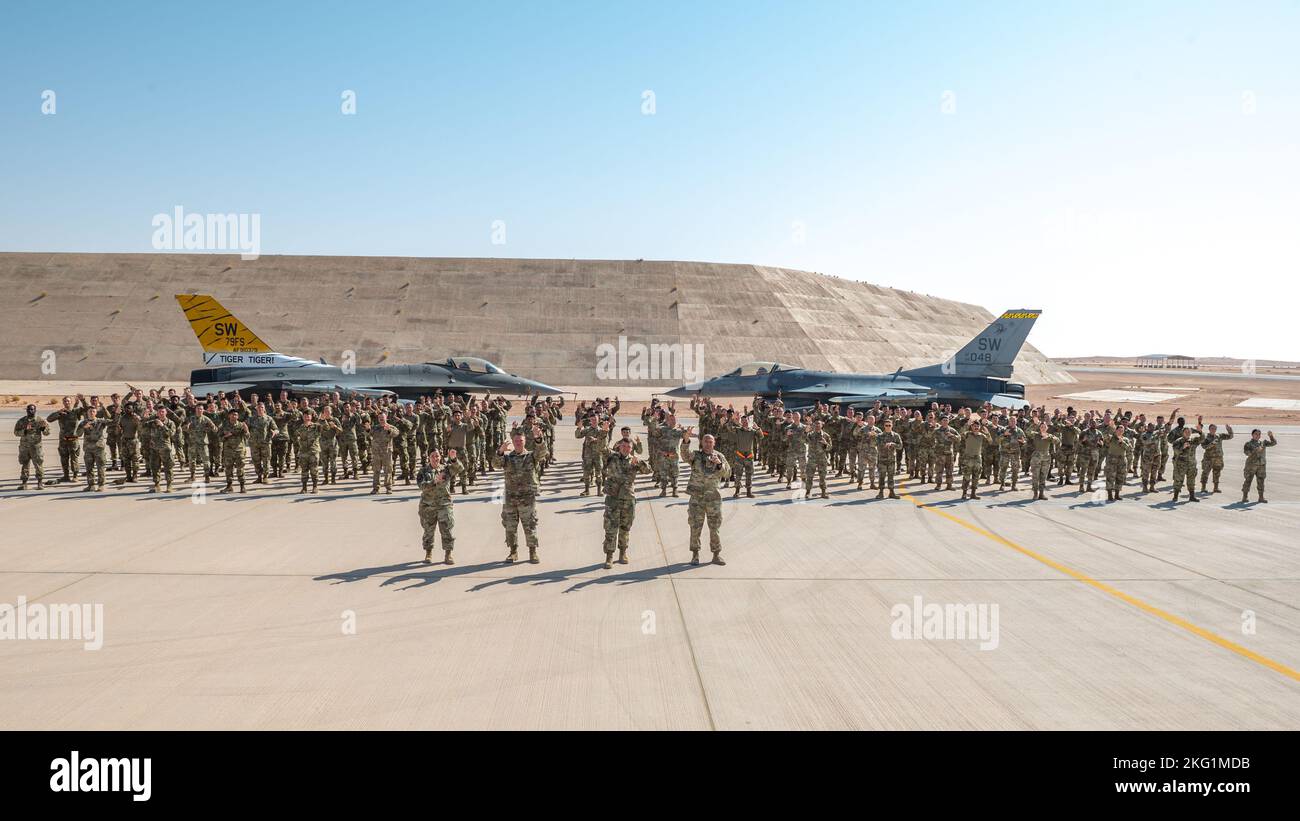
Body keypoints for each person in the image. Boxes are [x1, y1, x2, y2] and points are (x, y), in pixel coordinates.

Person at [681, 429, 732, 565]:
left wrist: (719, 465)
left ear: (714, 443)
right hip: (697, 498)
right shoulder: (696, 456)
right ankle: (695, 554)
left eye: (710, 442)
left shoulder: (719, 456)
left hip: (713, 498)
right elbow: (685, 456)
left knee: (714, 527)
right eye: (706, 442)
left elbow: (728, 474)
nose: (708, 444)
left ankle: (716, 555)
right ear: (702, 443)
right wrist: (686, 440)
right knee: (695, 526)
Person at [601, 437, 652, 568]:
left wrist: (640, 463)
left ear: (631, 449)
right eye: (623, 446)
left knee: (625, 527)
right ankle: (609, 556)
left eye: (628, 447)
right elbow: (601, 448)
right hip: (613, 498)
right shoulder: (612, 457)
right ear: (619, 446)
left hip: (628, 499)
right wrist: (604, 432)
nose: (626, 449)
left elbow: (649, 471)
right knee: (611, 528)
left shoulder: (634, 460)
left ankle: (623, 552)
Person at [498, 431, 541, 564]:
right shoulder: (507, 458)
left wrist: (539, 439)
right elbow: (495, 464)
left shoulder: (531, 456)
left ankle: (532, 552)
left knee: (530, 525)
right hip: (510, 499)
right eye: (516, 441)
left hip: (527, 498)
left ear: (525, 442)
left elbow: (542, 453)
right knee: (510, 526)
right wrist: (500, 451)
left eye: (520, 441)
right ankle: (513, 552)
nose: (518, 443)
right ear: (512, 442)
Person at [416, 450, 462, 564]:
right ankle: (428, 553)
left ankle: (448, 554)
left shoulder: (446, 469)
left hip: (444, 505)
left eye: (437, 456)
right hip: (428, 506)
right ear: (428, 458)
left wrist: (453, 459)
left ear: (440, 457)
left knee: (447, 530)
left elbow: (459, 468)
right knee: (428, 531)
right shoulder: (423, 471)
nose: (435, 458)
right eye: (432, 456)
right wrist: (434, 481)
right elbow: (422, 486)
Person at [15, 404, 50, 490]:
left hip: (36, 447)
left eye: (32, 409)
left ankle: (40, 483)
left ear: (35, 410)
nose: (30, 411)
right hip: (24, 447)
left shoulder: (40, 420)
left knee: (38, 464)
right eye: (29, 409)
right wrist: (25, 431)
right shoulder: (22, 421)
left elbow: (47, 433)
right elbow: (16, 432)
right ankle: (24, 483)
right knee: (24, 464)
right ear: (26, 410)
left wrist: (43, 428)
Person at [1242, 429, 1276, 504]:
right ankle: (1245, 497)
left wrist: (1271, 436)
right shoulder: (1248, 444)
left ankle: (1261, 497)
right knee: (1248, 481)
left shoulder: (1263, 443)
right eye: (1256, 434)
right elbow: (1247, 453)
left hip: (1261, 465)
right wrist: (1256, 450)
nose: (1258, 436)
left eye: (1259, 434)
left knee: (1261, 481)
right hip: (1251, 466)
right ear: (1252, 435)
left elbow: (1274, 443)